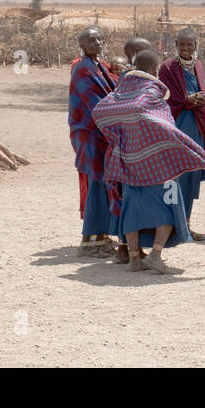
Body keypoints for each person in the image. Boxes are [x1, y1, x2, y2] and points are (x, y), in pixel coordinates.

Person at [93, 49, 205, 274]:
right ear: (153, 70)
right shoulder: (151, 92)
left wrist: (117, 135)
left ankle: (135, 259)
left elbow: (99, 111)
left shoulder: (121, 91)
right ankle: (156, 254)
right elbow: (164, 124)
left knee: (132, 209)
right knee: (171, 208)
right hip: (157, 166)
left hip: (128, 163)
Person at [69, 27, 118, 254]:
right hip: (89, 133)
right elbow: (97, 105)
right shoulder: (82, 69)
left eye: (99, 39)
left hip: (100, 132)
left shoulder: (98, 66)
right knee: (96, 182)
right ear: (81, 43)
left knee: (101, 183)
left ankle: (100, 236)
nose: (96, 43)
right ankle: (88, 240)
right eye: (91, 40)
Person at [159, 28, 205, 239]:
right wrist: (186, 100)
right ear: (177, 44)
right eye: (182, 44)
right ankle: (170, 226)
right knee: (175, 176)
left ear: (196, 45)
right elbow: (164, 98)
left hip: (196, 126)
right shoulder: (167, 67)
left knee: (191, 176)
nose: (186, 48)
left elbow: (204, 92)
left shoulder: (198, 66)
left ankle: (186, 224)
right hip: (177, 126)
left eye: (190, 44)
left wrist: (200, 99)